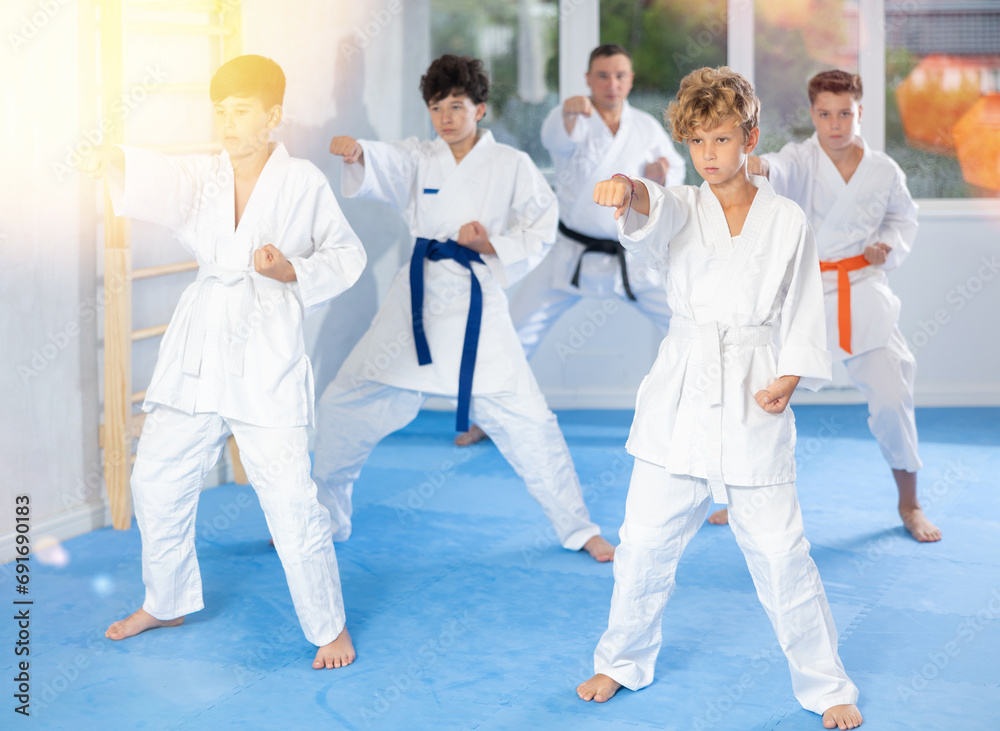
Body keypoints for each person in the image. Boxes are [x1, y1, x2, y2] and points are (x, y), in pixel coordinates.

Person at [576, 67, 863, 730]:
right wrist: (628, 189)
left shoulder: (786, 219)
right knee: (643, 538)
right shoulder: (682, 203)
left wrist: (791, 373)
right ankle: (621, 659)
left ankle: (825, 684)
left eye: (723, 138)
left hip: (754, 386)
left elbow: (800, 304)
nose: (709, 153)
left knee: (779, 548)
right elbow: (651, 205)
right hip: (682, 387)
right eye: (698, 140)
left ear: (749, 138)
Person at [79, 55, 365, 669]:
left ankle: (328, 626)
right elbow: (157, 178)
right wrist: (115, 160)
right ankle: (168, 598)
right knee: (155, 478)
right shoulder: (205, 175)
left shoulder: (303, 182)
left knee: (289, 498)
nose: (228, 123)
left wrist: (291, 269)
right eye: (221, 111)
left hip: (266, 351)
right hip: (200, 345)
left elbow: (347, 254)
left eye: (240, 111)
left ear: (273, 115)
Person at [316, 55, 615, 562]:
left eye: (457, 105)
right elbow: (382, 160)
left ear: (480, 109)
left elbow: (542, 227)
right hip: (416, 301)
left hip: (477, 300)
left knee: (528, 419)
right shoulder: (419, 156)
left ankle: (579, 527)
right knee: (344, 401)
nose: (446, 117)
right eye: (437, 108)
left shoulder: (511, 165)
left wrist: (491, 244)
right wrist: (357, 153)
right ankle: (325, 517)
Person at [707, 70, 940, 544]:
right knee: (761, 396)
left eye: (845, 114)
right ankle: (745, 499)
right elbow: (770, 169)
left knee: (894, 398)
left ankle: (910, 503)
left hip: (862, 289)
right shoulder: (801, 158)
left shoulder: (884, 171)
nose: (834, 124)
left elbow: (902, 219)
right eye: (824, 114)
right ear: (812, 114)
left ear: (860, 112)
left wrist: (886, 245)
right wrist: (739, 154)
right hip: (803, 292)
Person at [455, 44, 685, 447]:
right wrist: (566, 114)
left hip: (630, 256)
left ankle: (702, 419)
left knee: (686, 323)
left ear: (630, 80)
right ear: (587, 79)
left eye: (620, 75)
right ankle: (487, 418)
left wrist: (659, 174)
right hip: (570, 253)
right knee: (515, 330)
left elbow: (673, 171)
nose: (612, 84)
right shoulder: (575, 118)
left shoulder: (646, 127)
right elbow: (553, 139)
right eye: (602, 75)